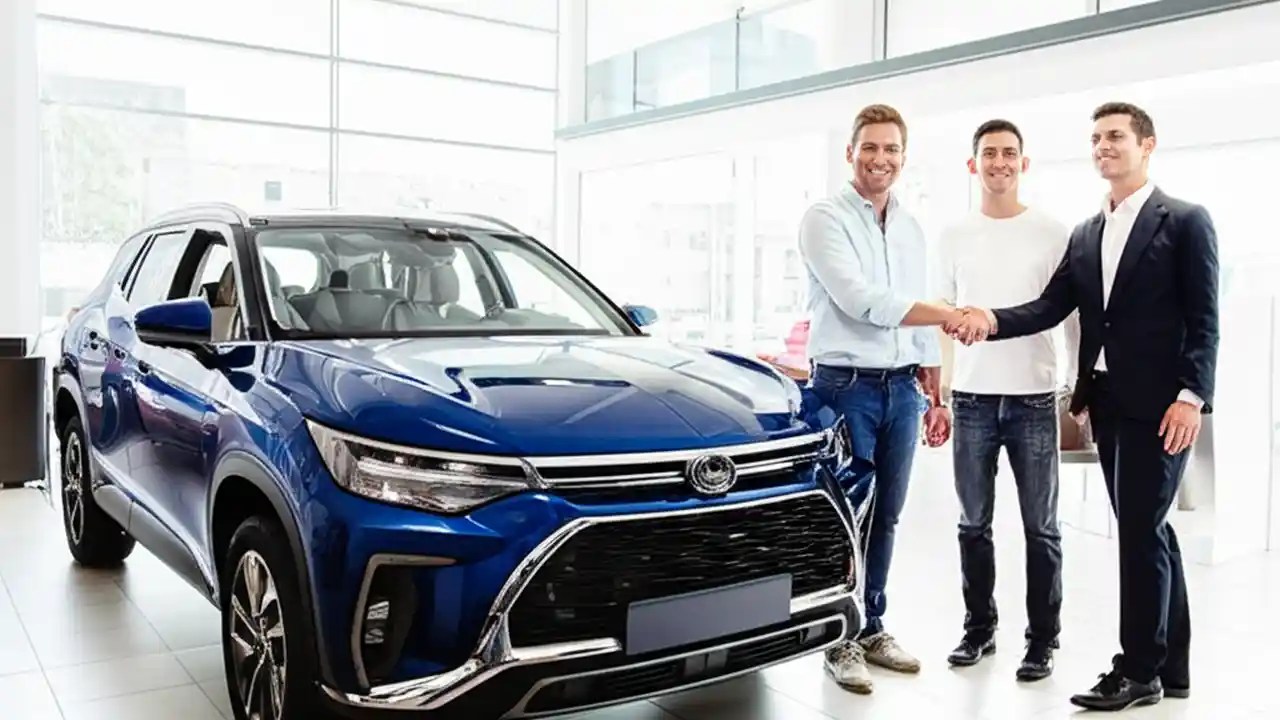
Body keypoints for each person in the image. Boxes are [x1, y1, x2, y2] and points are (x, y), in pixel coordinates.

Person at [948, 101, 1219, 711]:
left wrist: (1192, 398)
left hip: (1163, 407)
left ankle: (1138, 670)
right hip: (1110, 406)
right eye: (1096, 138)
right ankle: (1172, 668)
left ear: (1147, 145)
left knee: (1140, 534)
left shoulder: (1185, 221)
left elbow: (1206, 323)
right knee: (1150, 531)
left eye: (1116, 136)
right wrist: (989, 319)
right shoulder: (1087, 233)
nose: (1104, 146)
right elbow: (1048, 307)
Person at [798, 102, 962, 695]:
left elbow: (916, 319)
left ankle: (872, 626)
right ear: (850, 153)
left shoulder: (912, 227)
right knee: (846, 517)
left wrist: (934, 389)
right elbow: (860, 299)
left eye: (892, 149)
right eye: (870, 147)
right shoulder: (824, 218)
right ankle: (836, 639)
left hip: (902, 390)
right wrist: (949, 315)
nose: (881, 159)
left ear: (903, 157)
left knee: (887, 515)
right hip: (844, 388)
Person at [933, 119, 1080, 682]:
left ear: (1025, 163)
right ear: (974, 165)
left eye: (1009, 153)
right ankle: (979, 630)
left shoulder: (1053, 231)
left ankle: (1042, 640)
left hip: (1035, 400)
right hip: (970, 400)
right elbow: (944, 320)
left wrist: (1076, 386)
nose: (999, 162)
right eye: (989, 154)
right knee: (973, 524)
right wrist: (943, 396)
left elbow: (1069, 314)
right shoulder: (953, 235)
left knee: (1041, 528)